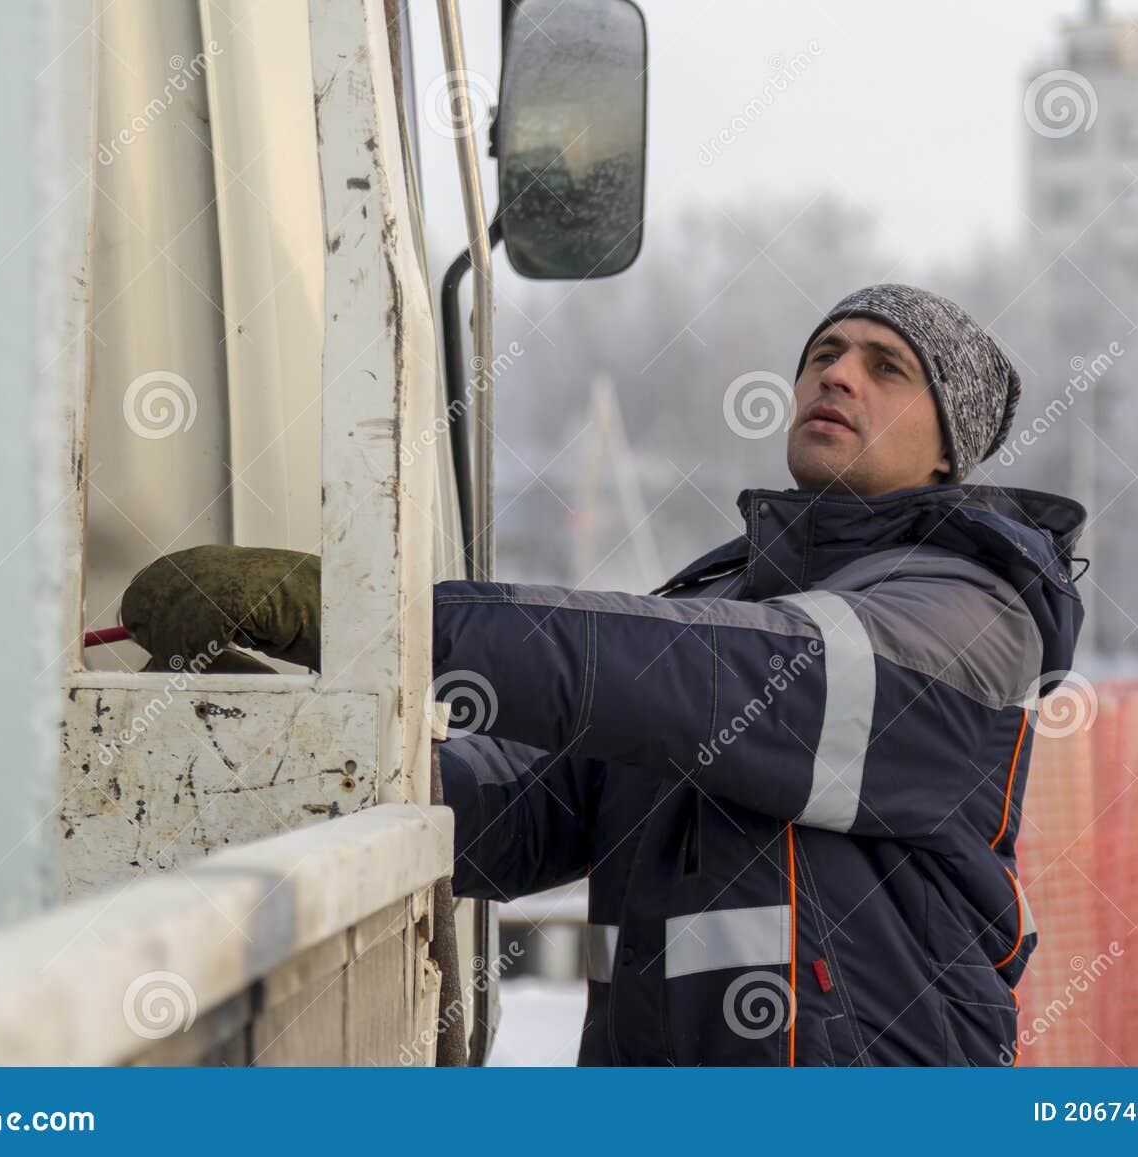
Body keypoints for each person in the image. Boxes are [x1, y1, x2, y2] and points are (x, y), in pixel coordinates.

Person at [122, 283, 1087, 1066]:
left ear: (949, 448)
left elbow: (745, 679)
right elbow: (525, 810)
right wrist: (273, 730)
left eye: (887, 367)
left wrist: (376, 618)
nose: (838, 374)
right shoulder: (729, 596)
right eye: (824, 353)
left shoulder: (974, 607)